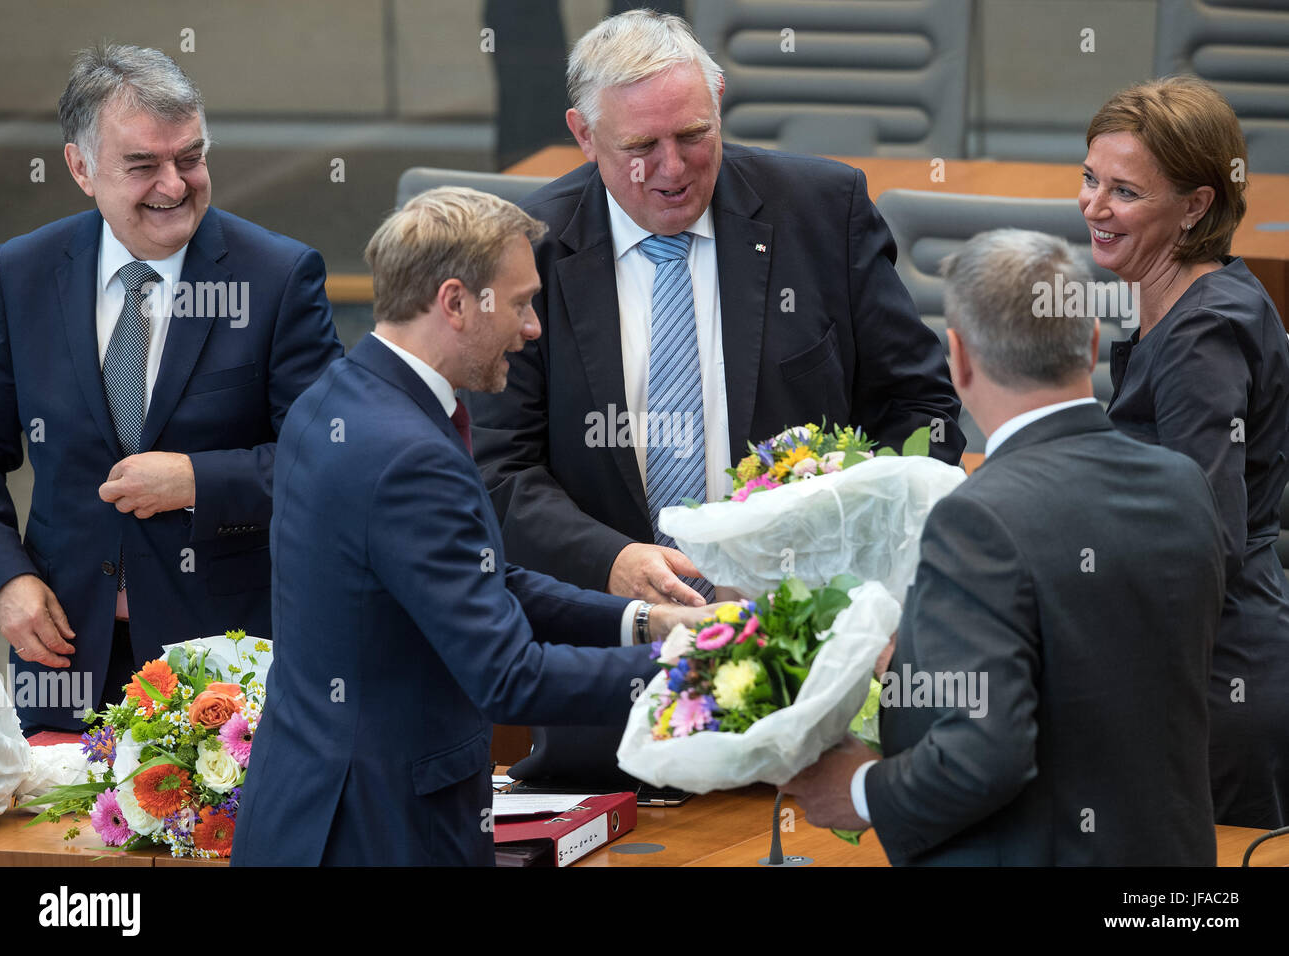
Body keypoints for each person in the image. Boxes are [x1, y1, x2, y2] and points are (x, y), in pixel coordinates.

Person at [231, 187, 717, 866]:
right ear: (456, 302)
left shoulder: (335, 399)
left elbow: (478, 575)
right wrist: (694, 669)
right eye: (520, 303)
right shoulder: (408, 454)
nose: (534, 328)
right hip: (381, 831)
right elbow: (509, 678)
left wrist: (640, 621)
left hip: (304, 813)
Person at [467, 9, 963, 608]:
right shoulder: (528, 250)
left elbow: (920, 410)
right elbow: (499, 469)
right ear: (584, 135)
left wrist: (843, 549)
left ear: (719, 103)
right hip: (605, 621)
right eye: (641, 146)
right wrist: (611, 562)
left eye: (694, 135)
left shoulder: (825, 214)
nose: (672, 169)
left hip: (807, 602)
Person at [781, 229, 1227, 865]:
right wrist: (915, 666)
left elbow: (983, 752)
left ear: (957, 358)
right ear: (1092, 344)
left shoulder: (977, 519)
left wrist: (859, 791)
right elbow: (1101, 663)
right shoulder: (1182, 483)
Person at [0, 44, 342, 732]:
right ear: (81, 168)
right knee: (48, 842)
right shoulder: (21, 272)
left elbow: (333, 461)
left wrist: (198, 481)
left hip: (225, 664)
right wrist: (5, 581)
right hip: (64, 654)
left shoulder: (277, 276)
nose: (175, 186)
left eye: (190, 158)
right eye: (144, 165)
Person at [1082, 76, 1289, 830]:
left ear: (1196, 204)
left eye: (1125, 192)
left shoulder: (1203, 337)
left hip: (1216, 693)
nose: (1095, 208)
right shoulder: (1185, 300)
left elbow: (1204, 541)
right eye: (1090, 178)